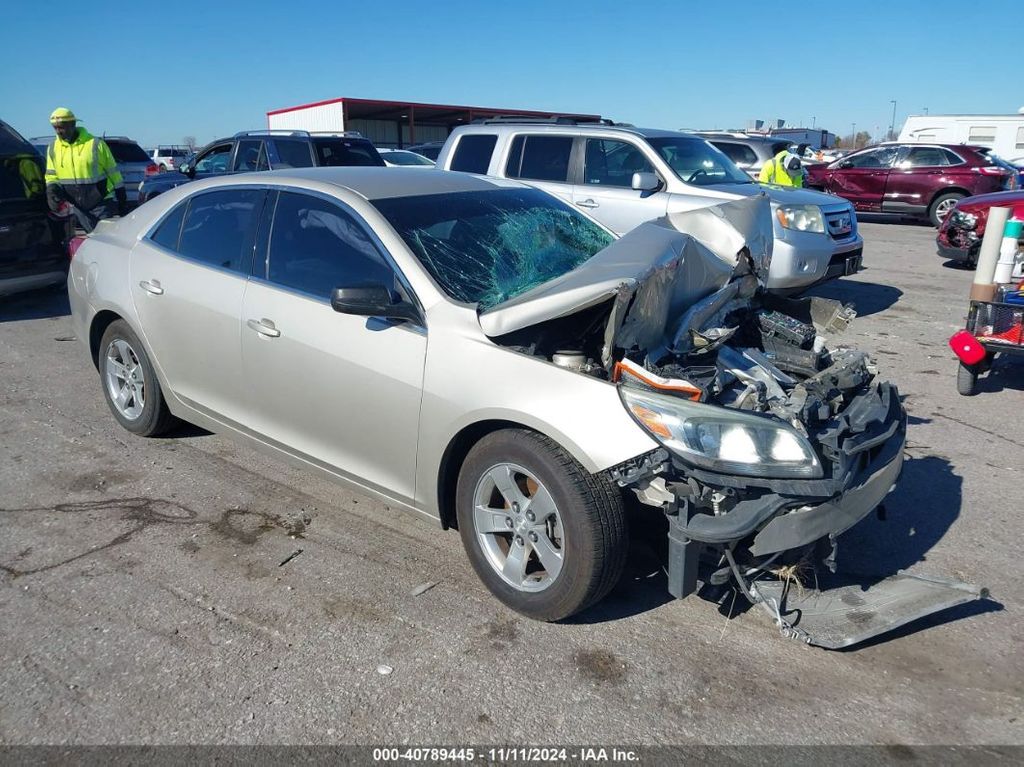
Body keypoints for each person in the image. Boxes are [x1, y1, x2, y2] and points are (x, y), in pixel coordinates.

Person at [44, 107, 127, 232]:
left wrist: (121, 196)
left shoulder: (95, 144)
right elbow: (51, 175)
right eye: (55, 128)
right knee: (90, 240)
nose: (58, 131)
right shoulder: (53, 148)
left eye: (61, 127)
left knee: (104, 240)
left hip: (100, 202)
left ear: (73, 124)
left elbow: (113, 171)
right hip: (77, 207)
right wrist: (52, 190)